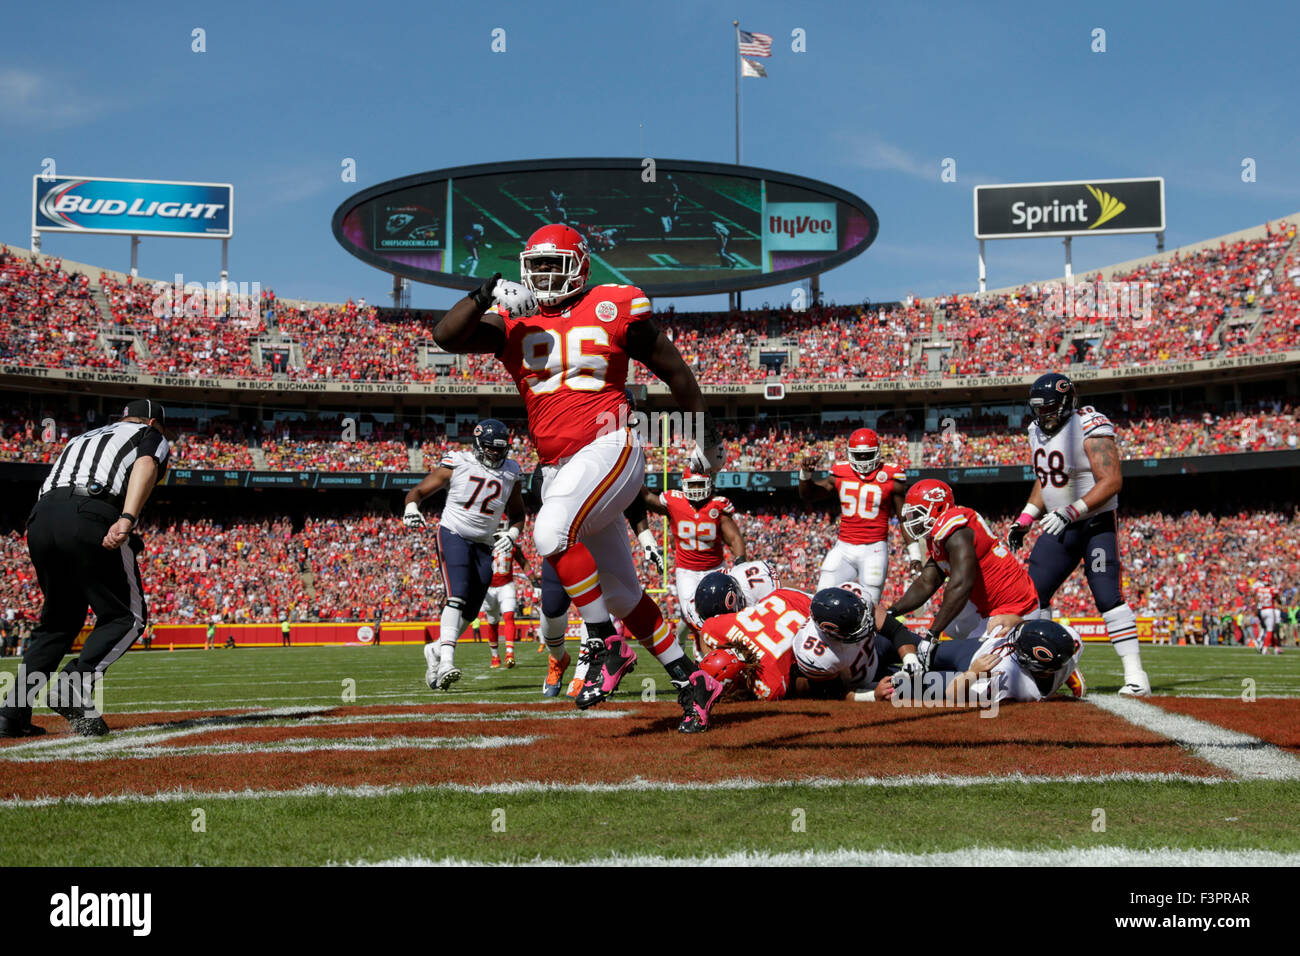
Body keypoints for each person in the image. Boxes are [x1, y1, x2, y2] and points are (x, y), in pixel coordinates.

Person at [432, 224, 725, 732]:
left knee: (548, 531)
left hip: (610, 440)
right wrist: (483, 295)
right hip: (559, 465)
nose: (544, 274)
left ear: (580, 266)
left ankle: (601, 644)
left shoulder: (613, 305)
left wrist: (701, 431)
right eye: (537, 265)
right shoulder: (513, 322)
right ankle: (693, 681)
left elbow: (672, 367)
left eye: (554, 263)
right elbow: (445, 336)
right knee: (620, 592)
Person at [0, 398, 170, 738]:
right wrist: (127, 517)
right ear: (154, 423)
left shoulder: (81, 438)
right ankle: (73, 686)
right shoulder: (147, 434)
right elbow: (148, 464)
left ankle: (11, 713)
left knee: (57, 623)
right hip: (90, 512)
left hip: (41, 518)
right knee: (128, 616)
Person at [1005, 373, 1150, 695]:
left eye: (1050, 408)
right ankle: (1051, 673)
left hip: (1093, 525)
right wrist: (1025, 519)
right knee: (1032, 598)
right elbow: (1048, 480)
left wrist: (1070, 511)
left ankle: (1136, 675)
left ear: (1069, 402)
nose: (1044, 416)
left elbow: (1111, 480)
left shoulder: (1090, 424)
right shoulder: (1034, 431)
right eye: (1039, 409)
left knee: (1107, 597)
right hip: (1058, 525)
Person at [403, 418, 525, 691]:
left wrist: (512, 534)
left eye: (500, 449)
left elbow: (518, 514)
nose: (496, 453)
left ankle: (434, 650)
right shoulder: (458, 462)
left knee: (470, 611)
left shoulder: (512, 471)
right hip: (454, 534)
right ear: (479, 445)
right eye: (491, 448)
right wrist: (411, 507)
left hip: (484, 545)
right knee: (456, 597)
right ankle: (446, 661)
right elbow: (418, 491)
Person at [887, 479, 1039, 651]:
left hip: (1014, 607)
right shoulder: (939, 535)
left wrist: (932, 634)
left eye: (917, 514)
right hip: (986, 606)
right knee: (953, 628)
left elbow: (962, 583)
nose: (913, 520)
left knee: (978, 665)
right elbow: (926, 582)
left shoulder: (956, 531)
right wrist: (891, 613)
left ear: (938, 508)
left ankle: (1030, 647)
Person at [799, 427, 914, 605]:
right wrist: (805, 474)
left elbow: (904, 518)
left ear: (877, 452)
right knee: (821, 600)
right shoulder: (840, 471)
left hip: (874, 549)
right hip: (844, 546)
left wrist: (915, 554)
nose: (862, 459)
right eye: (858, 455)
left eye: (867, 455)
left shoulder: (892, 475)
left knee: (869, 606)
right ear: (849, 453)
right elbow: (809, 496)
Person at [637, 468, 746, 653]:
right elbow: (647, 498)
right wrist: (631, 476)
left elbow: (734, 538)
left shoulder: (717, 506)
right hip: (687, 570)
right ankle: (690, 642)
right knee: (691, 614)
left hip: (715, 569)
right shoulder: (675, 501)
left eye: (700, 484)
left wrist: (741, 562)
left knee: (720, 613)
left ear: (709, 485)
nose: (696, 488)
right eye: (692, 484)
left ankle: (703, 652)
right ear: (684, 485)